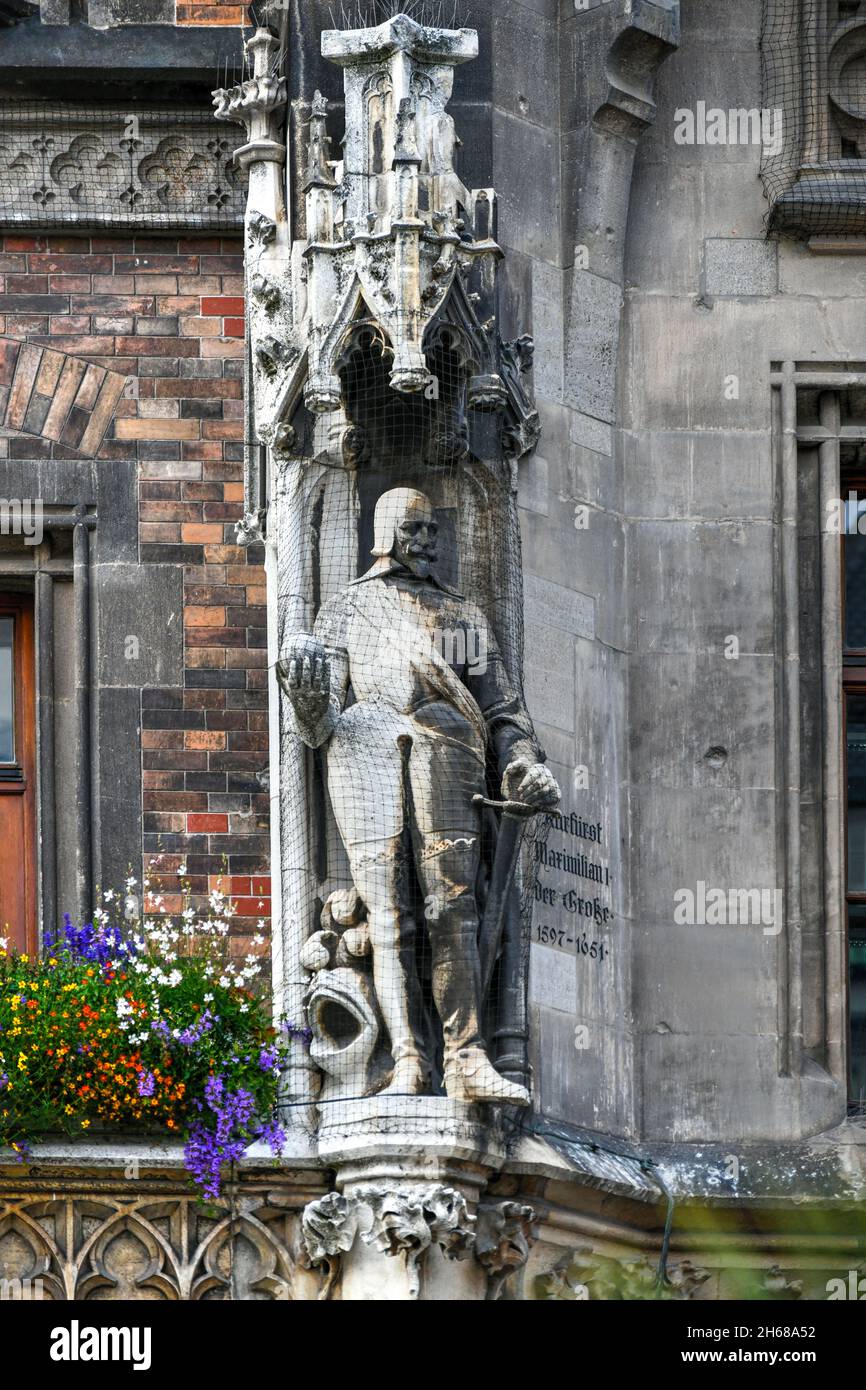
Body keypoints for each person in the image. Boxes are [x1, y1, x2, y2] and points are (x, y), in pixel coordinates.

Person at [279, 487, 559, 1105]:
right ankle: (407, 1058)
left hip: (450, 750)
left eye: (433, 529)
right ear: (383, 532)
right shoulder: (346, 611)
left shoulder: (463, 617)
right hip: (366, 753)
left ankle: (465, 1055)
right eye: (413, 529)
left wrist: (520, 761)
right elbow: (317, 723)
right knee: (387, 914)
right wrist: (304, 692)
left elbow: (502, 708)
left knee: (454, 905)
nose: (427, 540)